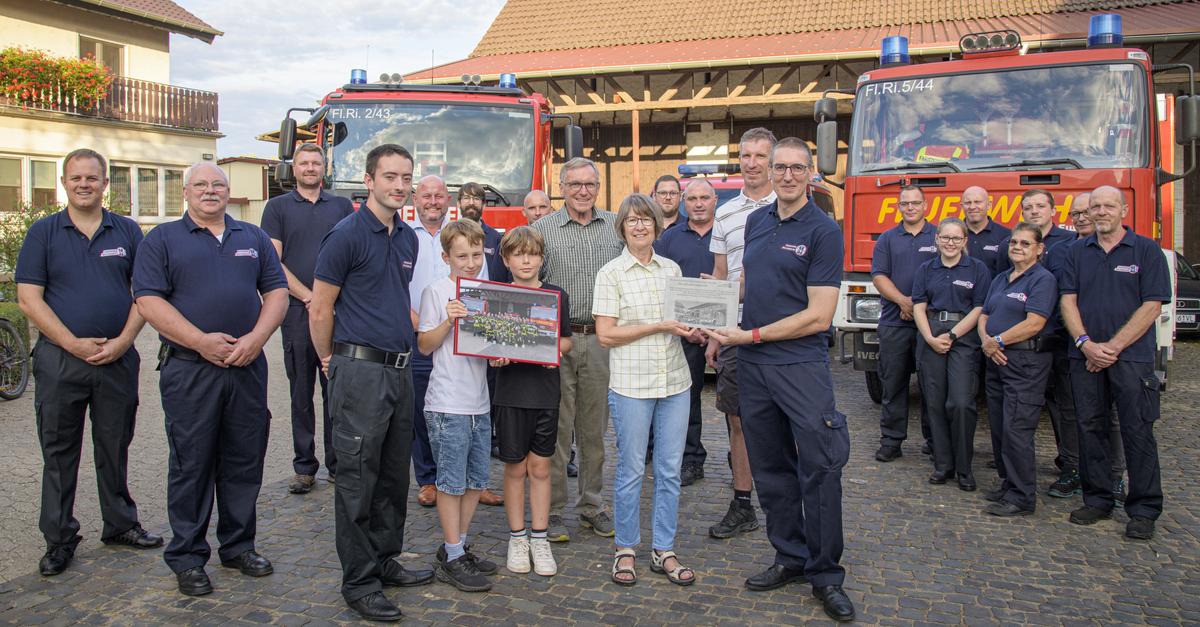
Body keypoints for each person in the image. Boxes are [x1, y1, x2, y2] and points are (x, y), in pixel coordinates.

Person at [707, 138, 854, 622]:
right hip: (756, 368)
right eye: (780, 167)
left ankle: (827, 574)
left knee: (819, 468)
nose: (787, 175)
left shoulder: (824, 230)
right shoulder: (756, 222)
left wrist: (749, 335)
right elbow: (753, 282)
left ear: (810, 174)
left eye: (796, 168)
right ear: (770, 172)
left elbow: (819, 315)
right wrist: (713, 302)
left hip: (799, 365)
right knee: (770, 470)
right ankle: (789, 555)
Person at [132, 162, 288, 596]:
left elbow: (276, 291)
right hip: (190, 369)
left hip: (246, 366)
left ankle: (238, 547)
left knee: (243, 460)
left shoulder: (252, 237)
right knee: (192, 463)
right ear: (186, 192)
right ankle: (187, 556)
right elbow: (147, 299)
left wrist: (257, 339)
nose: (210, 191)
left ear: (228, 191)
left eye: (218, 184)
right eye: (200, 184)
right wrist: (199, 340)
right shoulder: (162, 239)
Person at [15, 148, 161, 577]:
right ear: (65, 182)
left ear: (104, 183)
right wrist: (73, 344)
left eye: (92, 178)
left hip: (117, 360)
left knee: (115, 446)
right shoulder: (43, 233)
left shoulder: (128, 231)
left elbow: (146, 292)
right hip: (61, 362)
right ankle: (59, 539)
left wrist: (124, 340)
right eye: (76, 178)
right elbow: (29, 298)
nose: (84, 184)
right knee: (59, 453)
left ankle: (119, 525)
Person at [310, 144, 435, 621]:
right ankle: (359, 582)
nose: (399, 185)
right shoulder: (345, 235)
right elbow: (320, 307)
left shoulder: (406, 238)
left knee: (390, 475)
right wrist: (329, 358)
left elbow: (394, 298)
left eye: (406, 177)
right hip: (358, 371)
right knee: (357, 478)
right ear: (369, 180)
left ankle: (385, 560)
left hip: (399, 370)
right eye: (390, 177)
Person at [594, 193, 696, 588]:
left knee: (669, 471)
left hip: (674, 382)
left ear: (657, 225)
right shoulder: (611, 273)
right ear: (622, 227)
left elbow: (683, 320)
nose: (639, 226)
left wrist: (696, 327)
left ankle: (664, 550)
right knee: (632, 470)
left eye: (646, 220)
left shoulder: (671, 268)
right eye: (632, 220)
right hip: (631, 386)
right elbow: (605, 335)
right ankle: (625, 548)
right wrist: (660, 326)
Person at [1060, 185, 1170, 540]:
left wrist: (1113, 347)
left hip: (1132, 358)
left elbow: (1153, 305)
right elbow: (1068, 302)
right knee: (1090, 428)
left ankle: (1143, 508)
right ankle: (1098, 498)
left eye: (1109, 205)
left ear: (1123, 210)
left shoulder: (1146, 250)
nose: (1101, 211)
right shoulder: (1076, 252)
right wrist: (1086, 344)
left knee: (1137, 430)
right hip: (1085, 356)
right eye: (1095, 206)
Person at [532, 157, 624, 542]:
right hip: (558, 341)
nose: (583, 191)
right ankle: (552, 510)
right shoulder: (542, 230)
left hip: (602, 340)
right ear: (562, 187)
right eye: (575, 185)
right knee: (556, 430)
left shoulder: (615, 227)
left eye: (590, 184)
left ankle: (591, 504)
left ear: (598, 188)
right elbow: (528, 282)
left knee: (594, 431)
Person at [260, 143, 353, 495]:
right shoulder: (277, 208)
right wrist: (309, 296)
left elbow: (350, 254)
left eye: (316, 163)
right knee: (301, 390)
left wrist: (327, 300)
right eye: (304, 163)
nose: (311, 168)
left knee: (336, 389)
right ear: (294, 169)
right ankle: (304, 467)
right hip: (299, 312)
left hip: (337, 313)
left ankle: (337, 463)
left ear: (324, 168)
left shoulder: (342, 206)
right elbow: (273, 262)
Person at [406, 176, 501, 509]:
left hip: (467, 346)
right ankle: (431, 479)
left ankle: (472, 481)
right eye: (426, 195)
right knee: (425, 409)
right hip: (419, 323)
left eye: (439, 195)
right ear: (415, 198)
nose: (433, 201)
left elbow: (487, 291)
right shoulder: (405, 235)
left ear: (449, 200)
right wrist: (419, 318)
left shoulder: (464, 237)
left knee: (469, 420)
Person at [416, 220, 499, 592]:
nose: (470, 262)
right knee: (450, 482)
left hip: (479, 401)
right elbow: (424, 345)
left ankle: (458, 546)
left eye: (476, 255)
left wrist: (500, 356)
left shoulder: (488, 291)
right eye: (462, 256)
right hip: (447, 402)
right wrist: (449, 320)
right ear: (446, 256)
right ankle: (451, 555)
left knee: (475, 480)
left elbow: (491, 345)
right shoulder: (436, 291)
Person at [706, 127, 777, 540]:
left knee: (783, 418)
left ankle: (786, 496)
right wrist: (716, 334)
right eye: (745, 155)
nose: (751, 163)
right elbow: (719, 275)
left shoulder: (788, 207)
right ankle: (743, 503)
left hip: (779, 330)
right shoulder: (726, 212)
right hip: (735, 329)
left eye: (759, 156)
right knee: (736, 418)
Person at [490, 226, 572, 577]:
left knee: (541, 467)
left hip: (545, 392)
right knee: (515, 467)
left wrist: (547, 350)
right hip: (509, 393)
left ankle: (540, 537)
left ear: (542, 258)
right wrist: (495, 356)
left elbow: (566, 341)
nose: (526, 260)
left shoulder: (556, 295)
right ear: (506, 260)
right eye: (518, 254)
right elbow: (487, 343)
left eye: (533, 254)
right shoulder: (496, 295)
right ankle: (517, 537)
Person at [1044, 193, 1127, 502]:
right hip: (1070, 344)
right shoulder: (1062, 251)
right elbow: (1057, 297)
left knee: (1112, 414)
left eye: (1085, 212)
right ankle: (1074, 469)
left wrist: (1106, 345)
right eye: (1076, 213)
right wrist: (1080, 341)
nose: (1080, 218)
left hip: (1111, 345)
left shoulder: (1120, 249)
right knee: (1071, 411)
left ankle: (1115, 475)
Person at [978, 222, 1057, 517]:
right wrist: (987, 340)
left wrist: (996, 341)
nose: (1018, 248)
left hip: (1025, 363)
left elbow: (1035, 323)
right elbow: (985, 314)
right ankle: (1008, 484)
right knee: (999, 427)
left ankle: (1023, 496)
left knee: (1017, 429)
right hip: (996, 360)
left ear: (1039, 249)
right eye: (1014, 243)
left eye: (1025, 244)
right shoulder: (1001, 278)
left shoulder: (1042, 280)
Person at [911, 218, 990, 491]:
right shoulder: (925, 269)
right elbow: (919, 306)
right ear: (937, 240)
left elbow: (980, 308)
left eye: (956, 238)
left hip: (963, 338)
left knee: (960, 403)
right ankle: (943, 465)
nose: (950, 243)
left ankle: (964, 467)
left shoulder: (977, 269)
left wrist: (954, 335)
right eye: (945, 238)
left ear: (965, 241)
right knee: (934, 403)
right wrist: (930, 338)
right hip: (931, 334)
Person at [1018, 189, 1081, 498]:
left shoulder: (1069, 245)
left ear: (1053, 210)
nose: (1034, 211)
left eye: (1040, 206)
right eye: (1028, 207)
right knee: (1024, 405)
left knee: (1064, 407)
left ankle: (1070, 466)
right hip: (1027, 341)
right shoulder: (1015, 245)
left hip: (1060, 338)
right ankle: (1016, 462)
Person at [654, 178, 717, 486]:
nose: (699, 203)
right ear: (683, 201)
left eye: (705, 197)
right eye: (692, 199)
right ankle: (689, 458)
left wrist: (713, 330)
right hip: (681, 331)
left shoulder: (725, 234)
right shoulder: (668, 238)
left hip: (725, 331)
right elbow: (660, 283)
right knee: (685, 397)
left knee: (735, 404)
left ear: (714, 200)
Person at [872, 185, 937, 462]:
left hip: (931, 324)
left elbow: (945, 274)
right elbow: (879, 276)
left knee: (932, 387)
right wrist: (902, 302)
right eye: (904, 204)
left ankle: (935, 442)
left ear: (925, 206)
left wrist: (918, 306)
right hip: (894, 322)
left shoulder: (939, 236)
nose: (910, 208)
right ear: (898, 207)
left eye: (915, 203)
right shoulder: (887, 239)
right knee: (893, 384)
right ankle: (892, 440)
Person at [458, 182, 511, 283]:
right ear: (458, 203)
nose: (471, 203)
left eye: (476, 198)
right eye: (466, 198)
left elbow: (502, 275)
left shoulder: (495, 237)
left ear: (484, 205)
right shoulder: (450, 236)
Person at [962, 186, 1011, 279]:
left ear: (989, 204)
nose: (972, 207)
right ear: (962, 206)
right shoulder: (953, 235)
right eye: (968, 203)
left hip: (993, 293)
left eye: (977, 202)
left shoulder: (1006, 236)